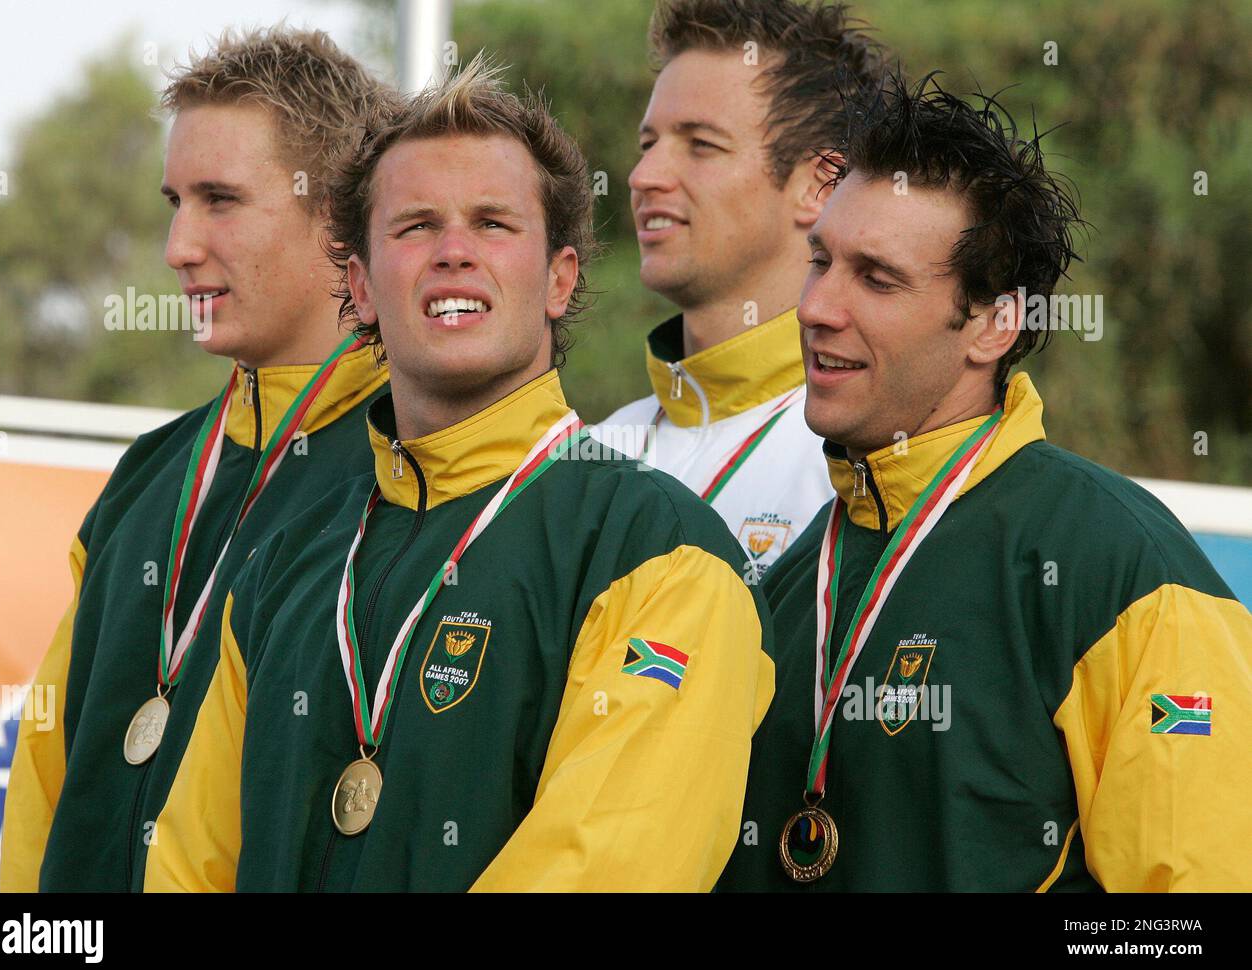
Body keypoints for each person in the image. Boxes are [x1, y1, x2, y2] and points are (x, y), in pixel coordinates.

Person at [145, 59, 774, 892]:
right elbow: (190, 868)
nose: (452, 253)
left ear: (559, 278)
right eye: (414, 227)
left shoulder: (660, 556)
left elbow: (605, 868)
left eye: (492, 223)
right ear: (361, 288)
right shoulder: (279, 566)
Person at [719, 72, 1252, 891]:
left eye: (877, 278)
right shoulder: (784, 590)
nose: (818, 306)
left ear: (996, 323)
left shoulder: (1121, 571)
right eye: (820, 261)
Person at [0, 26, 398, 892]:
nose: (179, 246)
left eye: (219, 199)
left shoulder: (416, 474)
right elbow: (41, 770)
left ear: (339, 214)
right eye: (174, 202)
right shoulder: (147, 473)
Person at [593, 0, 883, 580]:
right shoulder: (593, 451)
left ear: (820, 184)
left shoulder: (873, 461)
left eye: (700, 144)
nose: (644, 176)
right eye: (648, 143)